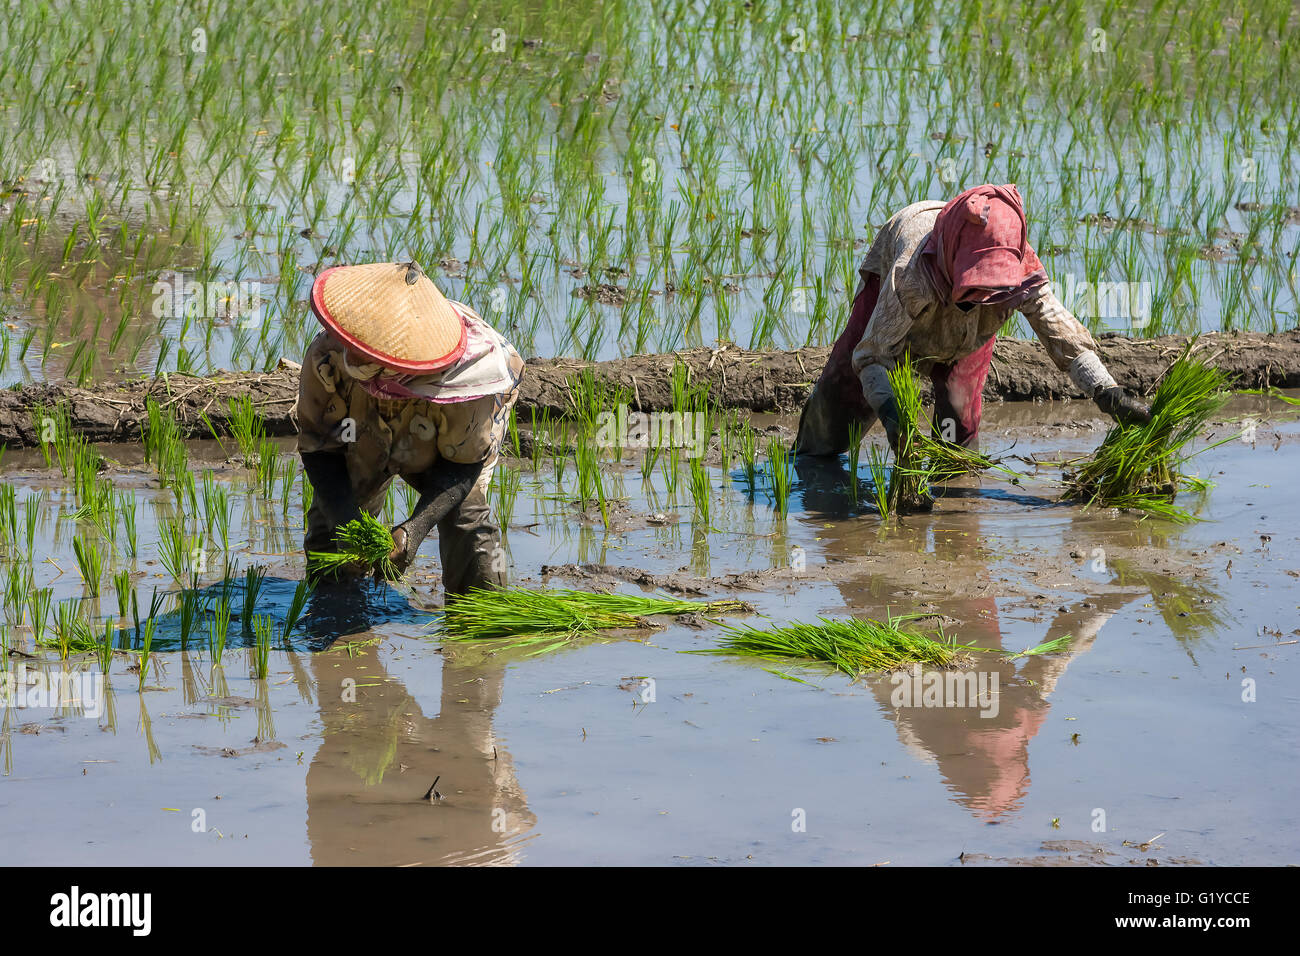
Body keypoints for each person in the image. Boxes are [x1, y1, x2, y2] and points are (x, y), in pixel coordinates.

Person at [795, 183, 1151, 457]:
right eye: (975, 285)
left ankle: (952, 490)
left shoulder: (1019, 269)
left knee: (958, 426)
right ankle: (812, 456)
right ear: (953, 263)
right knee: (838, 410)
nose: (982, 297)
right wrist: (892, 416)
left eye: (991, 288)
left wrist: (1108, 393)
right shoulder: (911, 276)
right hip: (893, 316)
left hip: (967, 340)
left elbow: (1063, 337)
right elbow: (870, 356)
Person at [296, 260, 524, 594]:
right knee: (333, 526)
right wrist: (348, 522)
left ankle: (476, 627)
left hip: (440, 441)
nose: (356, 360)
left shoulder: (473, 380)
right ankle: (337, 620)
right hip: (359, 432)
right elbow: (321, 449)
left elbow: (462, 468)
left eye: (374, 361)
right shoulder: (330, 354)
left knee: (468, 519)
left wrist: (412, 532)